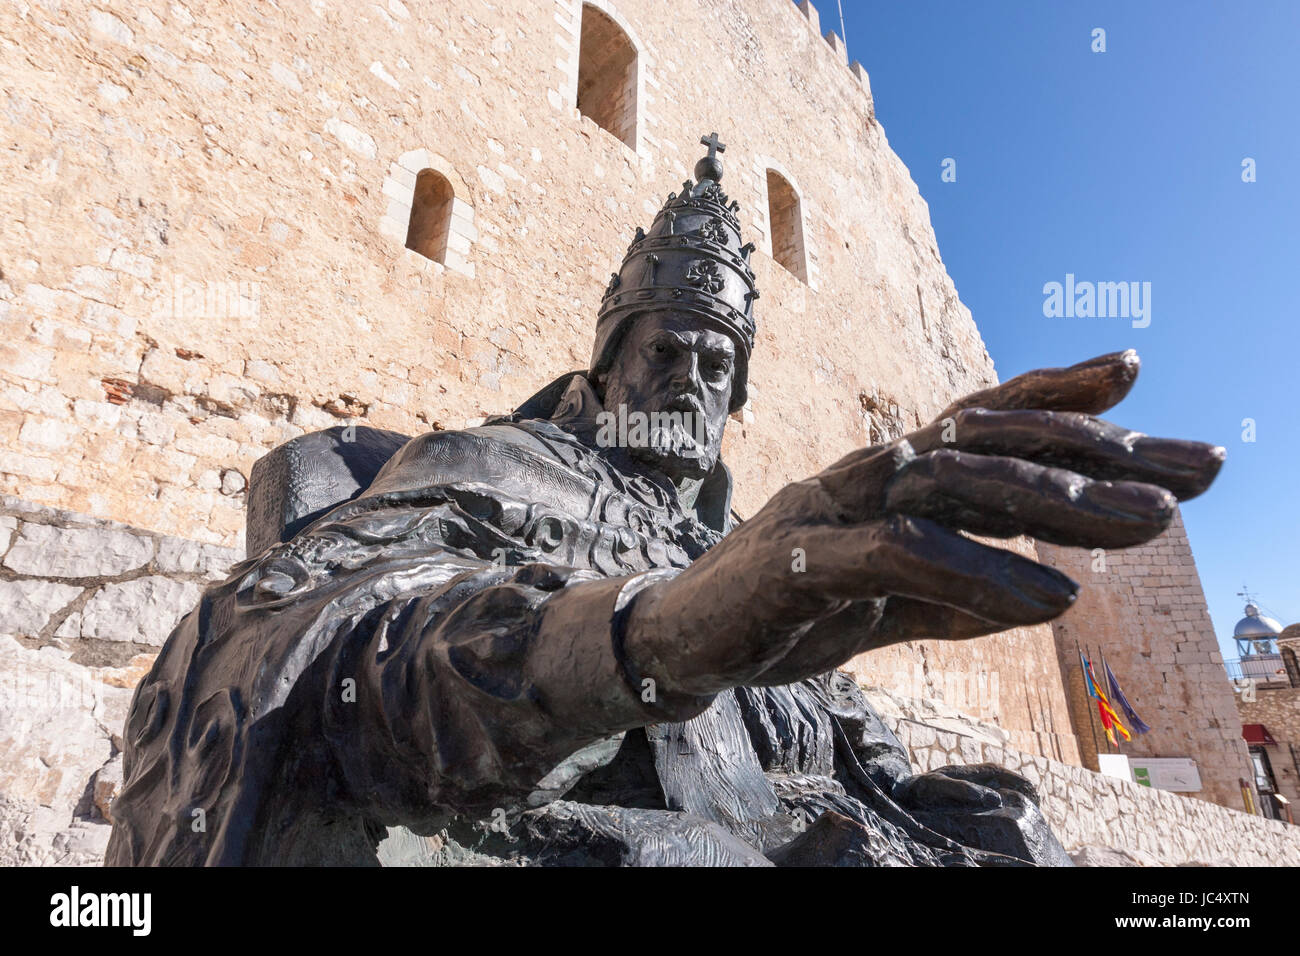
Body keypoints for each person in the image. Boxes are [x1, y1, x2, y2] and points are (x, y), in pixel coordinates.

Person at [106, 137, 1222, 866]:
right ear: (602, 367)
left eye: (716, 364)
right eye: (663, 349)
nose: (690, 376)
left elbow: (845, 745)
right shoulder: (495, 465)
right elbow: (342, 645)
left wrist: (927, 797)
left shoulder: (757, 544)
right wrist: (652, 633)